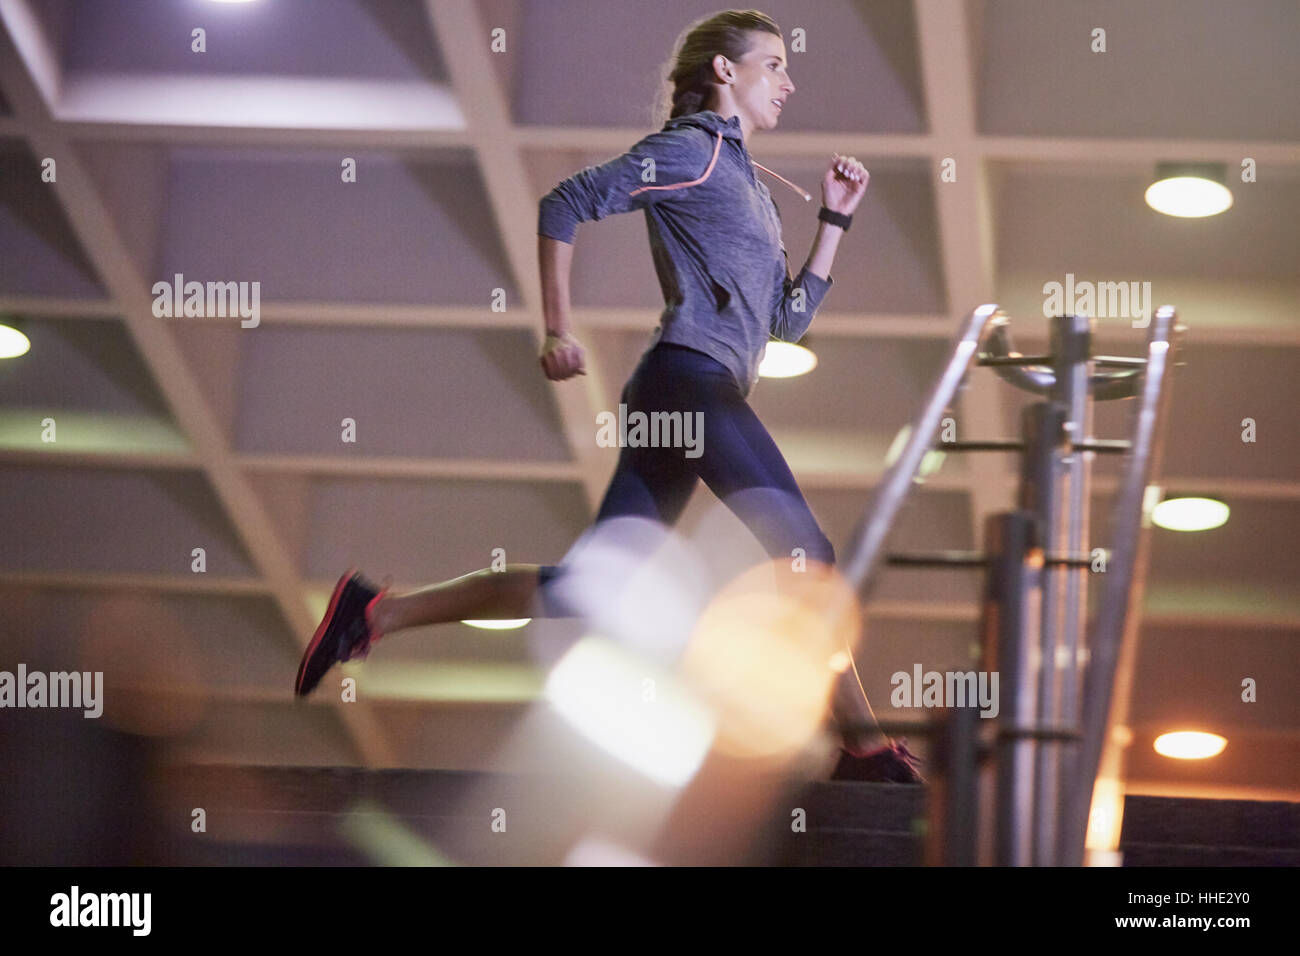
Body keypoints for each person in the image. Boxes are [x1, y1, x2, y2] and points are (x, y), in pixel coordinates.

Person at [295, 9, 921, 784]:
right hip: (688, 382)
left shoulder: (751, 190)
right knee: (808, 555)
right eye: (774, 63)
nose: (789, 80)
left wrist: (835, 220)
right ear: (726, 71)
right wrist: (559, 329)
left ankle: (374, 611)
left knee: (599, 592)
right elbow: (564, 202)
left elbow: (784, 322)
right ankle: (861, 747)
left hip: (691, 386)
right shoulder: (691, 151)